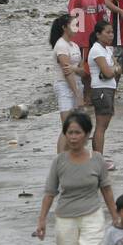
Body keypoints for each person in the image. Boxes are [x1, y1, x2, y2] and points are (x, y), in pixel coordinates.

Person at [35, 112, 117, 245]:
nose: (73, 137)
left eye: (77, 133)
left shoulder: (97, 160)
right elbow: (49, 192)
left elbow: (106, 189)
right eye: (69, 133)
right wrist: (42, 220)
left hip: (91, 215)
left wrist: (116, 215)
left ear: (87, 134)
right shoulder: (59, 162)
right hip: (65, 219)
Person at [49, 14, 87, 149]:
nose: (76, 28)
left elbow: (83, 71)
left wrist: (74, 69)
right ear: (65, 28)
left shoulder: (75, 45)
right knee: (67, 127)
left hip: (77, 85)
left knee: (76, 125)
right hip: (64, 87)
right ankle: (61, 160)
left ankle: (71, 156)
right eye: (73, 25)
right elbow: (66, 72)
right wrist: (77, 95)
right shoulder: (61, 45)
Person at [87, 20, 122, 164]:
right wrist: (114, 70)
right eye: (107, 32)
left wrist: (113, 70)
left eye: (112, 32)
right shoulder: (96, 50)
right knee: (101, 126)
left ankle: (98, 158)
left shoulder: (107, 49)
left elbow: (118, 68)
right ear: (98, 34)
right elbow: (109, 72)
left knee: (103, 126)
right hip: (101, 90)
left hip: (108, 89)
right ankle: (98, 159)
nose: (111, 35)